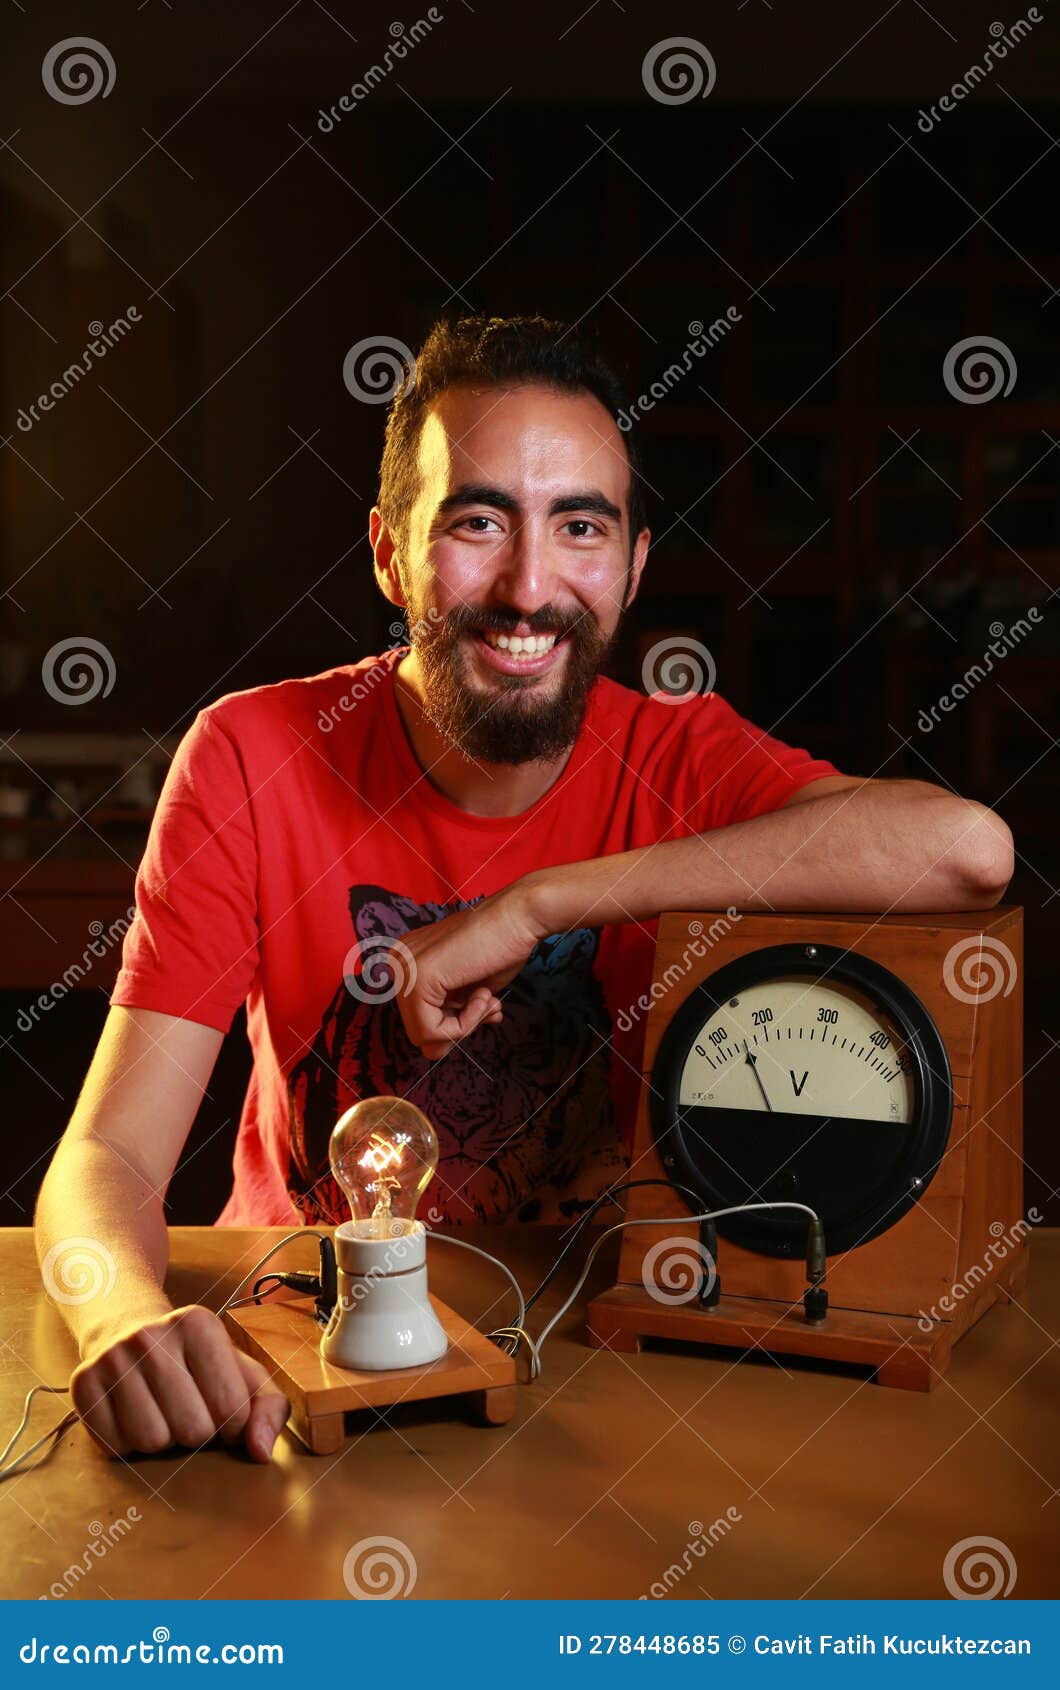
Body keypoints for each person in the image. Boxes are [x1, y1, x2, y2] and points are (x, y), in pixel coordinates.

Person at [35, 314, 1014, 1463]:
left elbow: (965, 851)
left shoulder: (681, 758)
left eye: (580, 526)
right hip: (290, 1371)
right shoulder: (253, 754)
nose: (528, 585)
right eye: (477, 520)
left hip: (597, 1370)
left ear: (634, 568)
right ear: (389, 551)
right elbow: (108, 1158)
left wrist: (538, 903)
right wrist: (124, 1317)